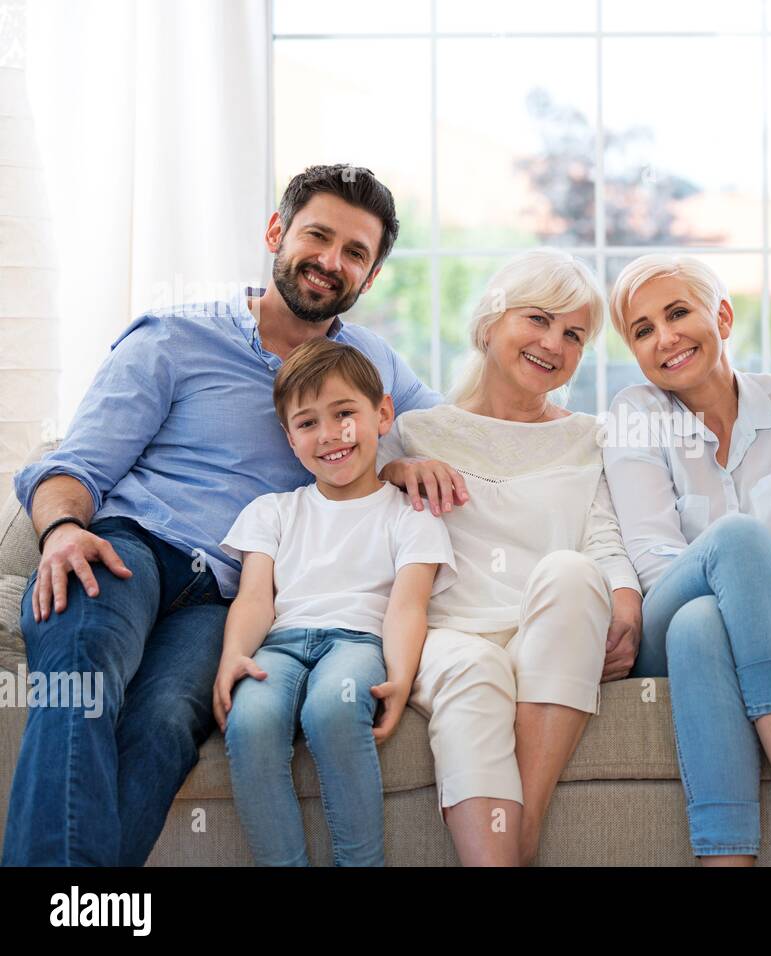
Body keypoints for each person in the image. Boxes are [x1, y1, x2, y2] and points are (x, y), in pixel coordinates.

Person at [3, 164, 456, 866]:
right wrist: (63, 529)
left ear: (368, 277)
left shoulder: (372, 363)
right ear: (276, 232)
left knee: (160, 724)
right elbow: (74, 466)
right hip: (130, 551)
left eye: (356, 253)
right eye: (318, 235)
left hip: (227, 596)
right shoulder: (173, 339)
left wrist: (402, 461)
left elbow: (453, 433)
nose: (331, 262)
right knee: (85, 668)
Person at [602, 254, 771, 866]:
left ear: (721, 315)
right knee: (738, 543)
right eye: (642, 330)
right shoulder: (636, 415)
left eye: (677, 313)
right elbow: (656, 566)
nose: (664, 338)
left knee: (706, 625)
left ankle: (726, 861)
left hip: (753, 628)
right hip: (661, 624)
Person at [388, 250, 643, 867]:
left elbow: (605, 540)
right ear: (492, 322)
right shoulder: (418, 432)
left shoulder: (589, 435)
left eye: (573, 334)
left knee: (573, 570)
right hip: (451, 633)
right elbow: (350, 506)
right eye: (538, 318)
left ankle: (518, 837)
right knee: (475, 670)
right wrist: (395, 470)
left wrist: (629, 606)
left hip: (546, 632)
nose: (553, 343)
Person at [214, 340, 455, 866]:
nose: (329, 435)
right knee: (250, 722)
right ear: (289, 438)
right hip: (280, 645)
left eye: (345, 413)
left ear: (382, 414)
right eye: (307, 423)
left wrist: (400, 675)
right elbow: (255, 598)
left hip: (357, 642)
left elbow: (408, 607)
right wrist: (235, 655)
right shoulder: (271, 511)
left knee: (333, 708)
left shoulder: (410, 514)